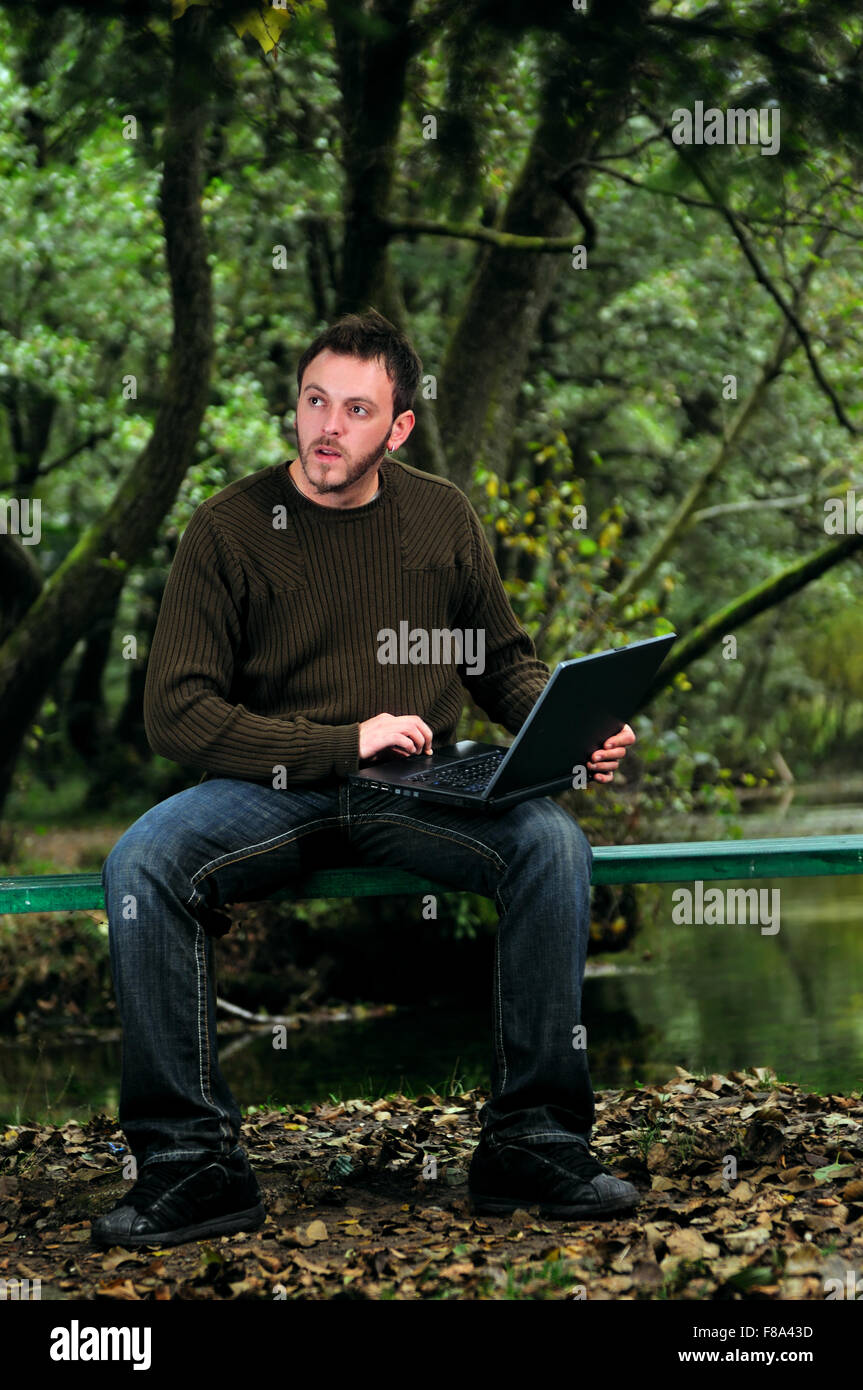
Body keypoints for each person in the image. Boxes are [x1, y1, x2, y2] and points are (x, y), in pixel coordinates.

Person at [92, 308, 638, 1249]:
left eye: (354, 408)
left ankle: (530, 1140)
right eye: (313, 401)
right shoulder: (228, 528)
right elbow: (176, 714)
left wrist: (572, 726)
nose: (326, 427)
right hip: (270, 785)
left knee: (550, 843)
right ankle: (192, 1163)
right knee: (143, 861)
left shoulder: (440, 516)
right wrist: (344, 740)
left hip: (418, 790)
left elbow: (500, 662)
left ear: (398, 428)